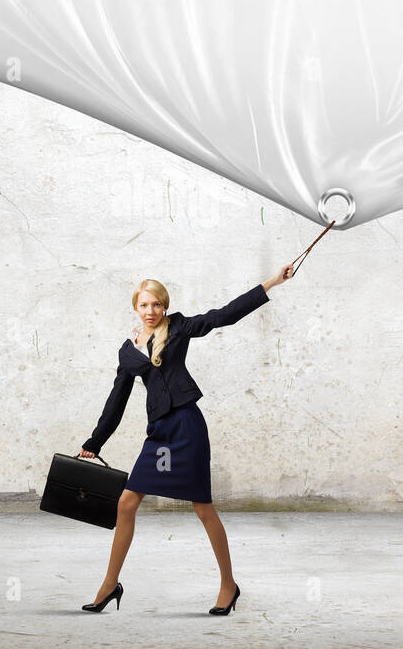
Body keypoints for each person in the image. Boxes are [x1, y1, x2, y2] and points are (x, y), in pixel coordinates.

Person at [77, 263, 296, 614]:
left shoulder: (178, 328)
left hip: (187, 428)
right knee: (126, 503)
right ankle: (109, 585)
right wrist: (94, 442)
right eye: (144, 305)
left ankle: (228, 584)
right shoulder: (128, 351)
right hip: (159, 432)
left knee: (202, 506)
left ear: (165, 306)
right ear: (136, 307)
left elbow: (223, 315)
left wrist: (272, 282)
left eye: (157, 305)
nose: (151, 312)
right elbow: (116, 399)